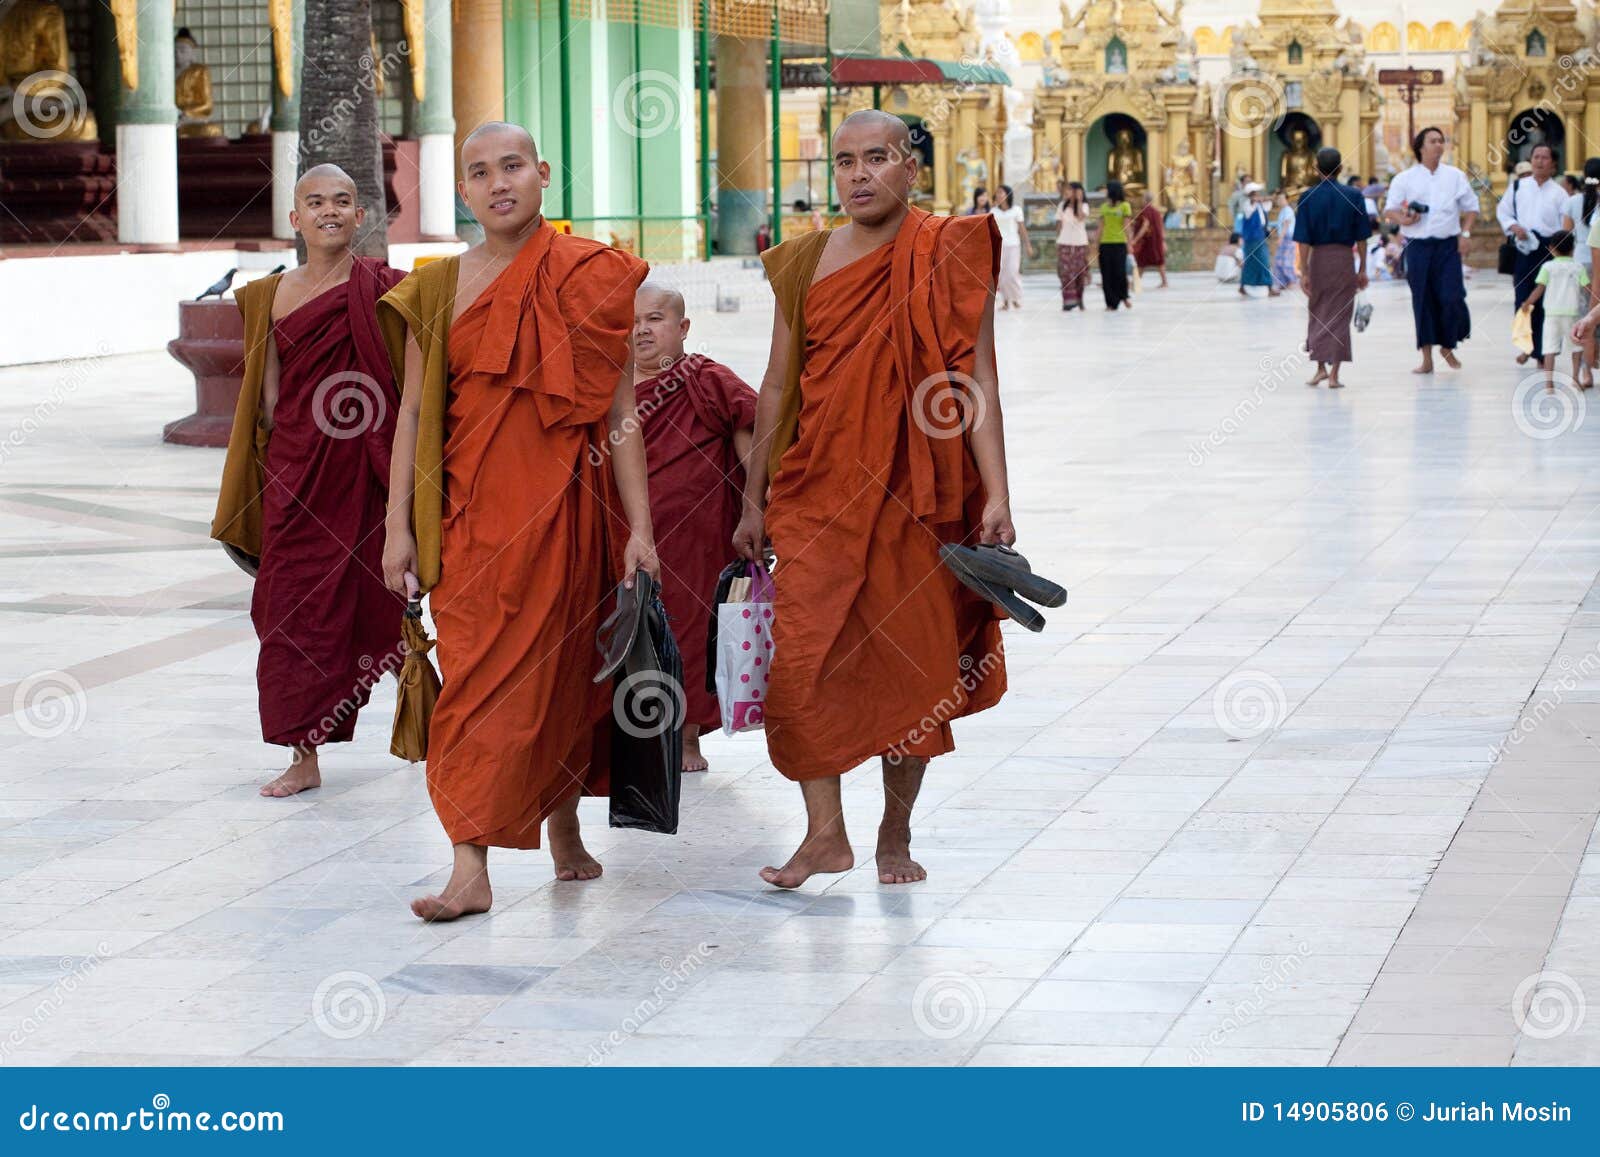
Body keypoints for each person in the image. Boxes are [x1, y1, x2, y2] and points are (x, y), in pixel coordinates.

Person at [377, 122, 656, 920]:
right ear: (461, 190)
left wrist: (641, 528)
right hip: (473, 520)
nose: (497, 183)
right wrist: (399, 528)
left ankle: (563, 826)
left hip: (571, 513)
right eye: (478, 172)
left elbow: (619, 410)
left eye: (511, 167)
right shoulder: (437, 288)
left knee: (564, 678)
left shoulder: (590, 274)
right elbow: (415, 412)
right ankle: (471, 866)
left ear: (543, 173)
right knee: (472, 685)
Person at [733, 110, 1013, 888]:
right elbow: (779, 382)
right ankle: (825, 833)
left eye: (878, 158)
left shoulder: (950, 250)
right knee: (800, 666)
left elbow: (976, 377)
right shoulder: (802, 261)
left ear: (912, 168)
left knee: (910, 668)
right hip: (818, 490)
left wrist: (998, 491)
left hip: (919, 498)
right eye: (846, 161)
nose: (859, 174)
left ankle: (894, 829)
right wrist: (753, 498)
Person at [210, 165, 406, 797]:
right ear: (295, 219)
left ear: (359, 217)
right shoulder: (270, 296)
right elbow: (267, 402)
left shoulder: (386, 289)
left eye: (343, 201)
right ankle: (304, 754)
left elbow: (412, 379)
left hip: (370, 469)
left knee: (381, 600)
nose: (329, 210)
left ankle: (423, 716)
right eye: (315, 202)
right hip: (298, 475)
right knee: (292, 610)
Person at [631, 284, 757, 771]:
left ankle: (686, 741)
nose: (642, 330)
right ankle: (635, 733)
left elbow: (749, 428)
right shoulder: (613, 387)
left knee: (688, 634)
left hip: (699, 537)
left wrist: (754, 509)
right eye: (633, 321)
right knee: (633, 633)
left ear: (682, 328)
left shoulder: (706, 379)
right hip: (631, 532)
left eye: (655, 319)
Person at [1384, 126, 1479, 374]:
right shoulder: (1404, 179)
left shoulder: (1455, 176)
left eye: (1442, 140)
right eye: (1433, 141)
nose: (1439, 145)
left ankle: (1448, 345)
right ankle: (1426, 357)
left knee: (1452, 296)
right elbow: (1390, 210)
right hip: (1418, 246)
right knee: (1422, 300)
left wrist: (1465, 234)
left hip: (1448, 245)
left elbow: (1471, 208)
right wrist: (1403, 219)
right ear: (1421, 147)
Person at [1294, 147, 1372, 389]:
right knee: (1340, 316)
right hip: (1343, 261)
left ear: (1316, 169)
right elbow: (1362, 238)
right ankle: (1335, 374)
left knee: (1317, 311)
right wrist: (1362, 269)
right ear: (1340, 169)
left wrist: (1304, 271)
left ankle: (1319, 369)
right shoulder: (1355, 195)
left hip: (1318, 259)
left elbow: (1303, 239)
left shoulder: (1307, 197)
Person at [1498, 142, 1568, 365]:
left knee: (1546, 302)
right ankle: (1526, 346)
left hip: (1548, 251)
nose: (1539, 161)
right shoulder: (1518, 187)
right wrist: (1513, 226)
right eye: (1535, 157)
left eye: (1544, 158)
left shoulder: (1559, 193)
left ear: (1553, 164)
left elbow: (1564, 226)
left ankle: (1541, 353)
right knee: (1523, 300)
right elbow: (1504, 211)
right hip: (1523, 249)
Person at [1523, 230, 1589, 391]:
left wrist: (1528, 302)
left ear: (1552, 248)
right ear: (1573, 248)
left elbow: (1539, 288)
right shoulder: (1578, 267)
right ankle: (1575, 378)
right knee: (1576, 347)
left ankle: (1549, 383)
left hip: (1551, 314)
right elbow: (1587, 287)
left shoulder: (1547, 267)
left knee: (1549, 349)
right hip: (1572, 313)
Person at [992, 184, 1034, 310]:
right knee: (1002, 274)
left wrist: (1028, 245)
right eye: (997, 193)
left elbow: (1022, 229)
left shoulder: (1016, 210)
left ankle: (1016, 298)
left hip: (1013, 245)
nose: (999, 195)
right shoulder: (993, 211)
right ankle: (1005, 300)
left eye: (1001, 193)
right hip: (999, 246)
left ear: (1008, 195)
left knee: (1012, 273)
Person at [1096, 179, 1133, 309]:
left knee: (1119, 272)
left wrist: (1130, 243)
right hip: (1105, 243)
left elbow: (1127, 226)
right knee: (1106, 274)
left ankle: (1123, 296)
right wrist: (1096, 244)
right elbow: (1100, 227)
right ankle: (1110, 302)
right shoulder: (1104, 207)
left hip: (1119, 243)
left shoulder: (1125, 206)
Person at [1056, 180, 1090, 310]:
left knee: (1080, 273)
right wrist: (1057, 240)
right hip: (1064, 242)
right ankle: (1068, 301)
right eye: (1067, 190)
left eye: (1071, 190)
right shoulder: (1062, 205)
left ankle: (1080, 299)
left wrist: (1079, 201)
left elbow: (1081, 217)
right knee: (1065, 272)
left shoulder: (1085, 205)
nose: (1068, 192)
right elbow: (1059, 224)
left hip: (1080, 243)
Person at [1239, 183, 1276, 297]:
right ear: (1251, 195)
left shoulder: (1260, 205)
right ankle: (1268, 287)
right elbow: (1251, 205)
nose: (1258, 195)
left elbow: (1268, 204)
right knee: (1261, 261)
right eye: (1255, 193)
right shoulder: (1247, 204)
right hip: (1252, 239)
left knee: (1259, 261)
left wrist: (1271, 197)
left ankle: (1244, 286)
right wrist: (1258, 199)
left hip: (1260, 237)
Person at [1128, 190, 1168, 288]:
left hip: (1147, 242)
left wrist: (1135, 239)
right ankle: (1164, 282)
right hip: (1156, 241)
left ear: (1145, 200)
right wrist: (1163, 241)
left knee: (1141, 262)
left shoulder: (1145, 211)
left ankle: (1135, 282)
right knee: (1159, 262)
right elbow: (1161, 226)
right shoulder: (1157, 212)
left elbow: (1145, 225)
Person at [1271, 189, 1298, 289]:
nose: (1279, 201)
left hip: (1287, 238)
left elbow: (1286, 224)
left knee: (1286, 261)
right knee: (1279, 260)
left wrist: (1280, 238)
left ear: (1286, 199)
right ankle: (1283, 282)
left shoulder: (1288, 210)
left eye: (1281, 198)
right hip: (1284, 238)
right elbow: (1281, 224)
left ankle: (1291, 281)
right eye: (1278, 199)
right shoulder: (1283, 210)